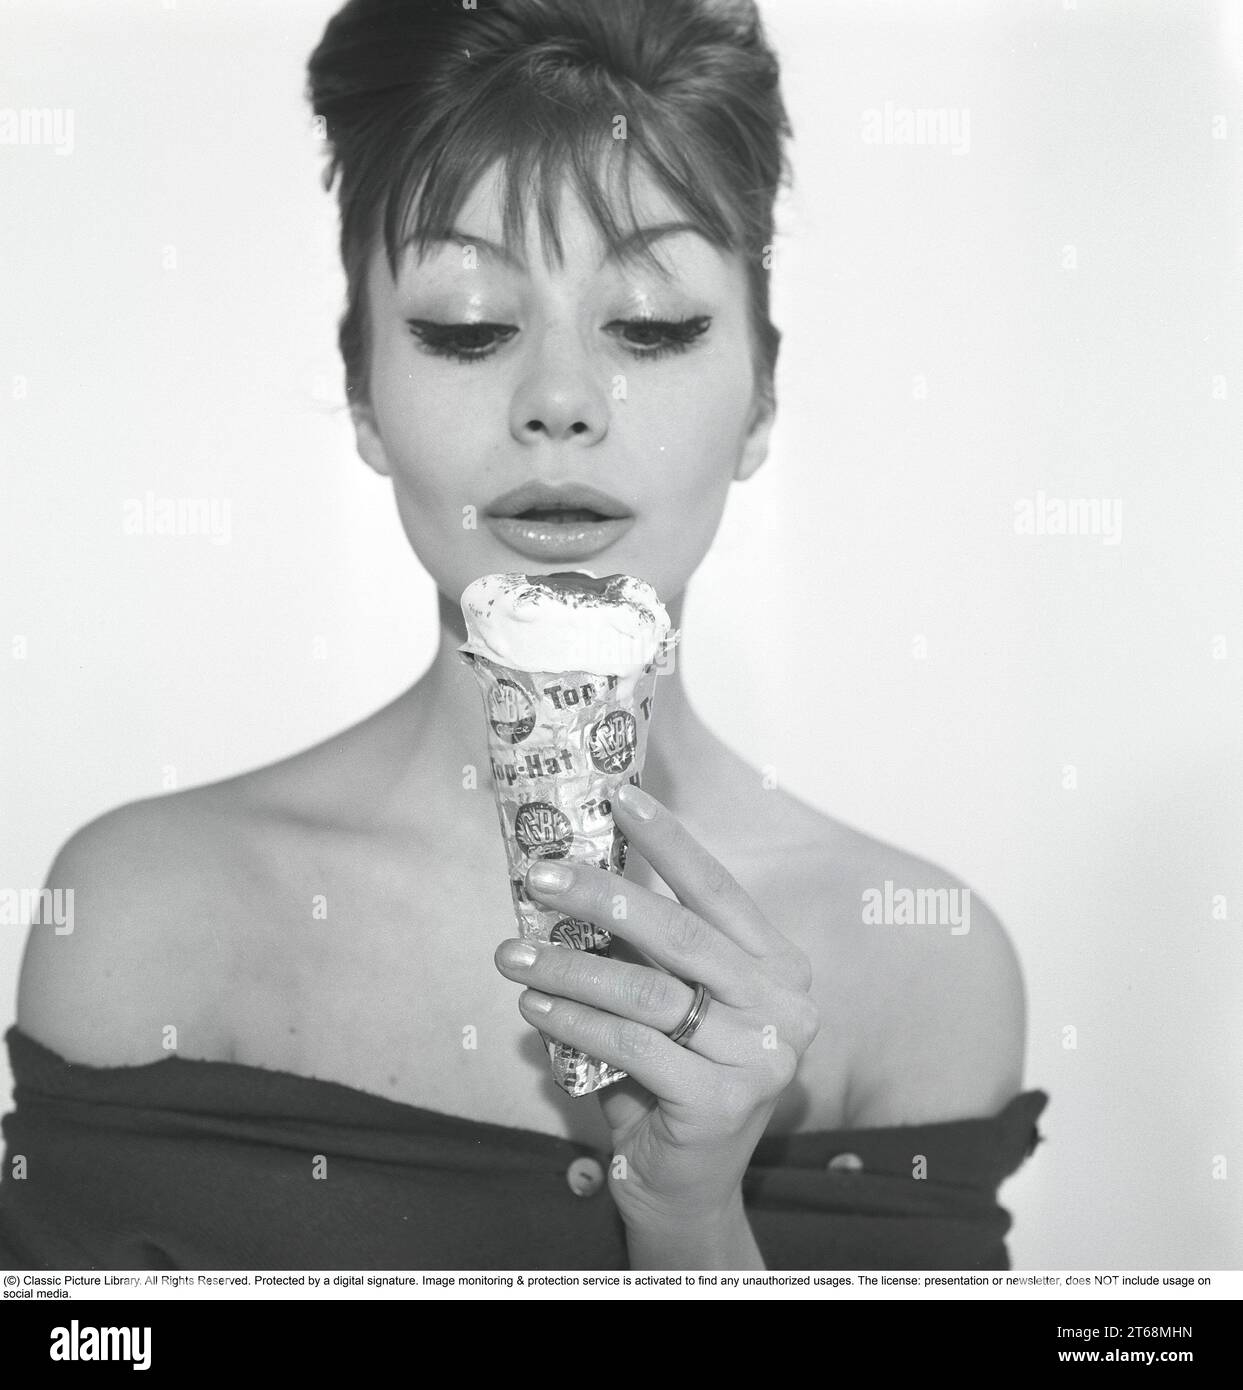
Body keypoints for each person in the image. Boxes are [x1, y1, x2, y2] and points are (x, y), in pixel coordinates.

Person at [0, 0, 1045, 1272]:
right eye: (466, 326)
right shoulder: (143, 912)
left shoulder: (921, 963)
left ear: (762, 399)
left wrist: (696, 1224)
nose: (558, 401)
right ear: (365, 397)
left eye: (650, 326)